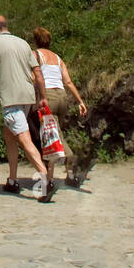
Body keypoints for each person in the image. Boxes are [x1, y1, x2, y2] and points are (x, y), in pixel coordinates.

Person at [0, 15, 51, 201]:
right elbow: (37, 73)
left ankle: (44, 179)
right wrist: (42, 97)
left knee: (23, 138)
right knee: (9, 134)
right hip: (27, 96)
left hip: (10, 98)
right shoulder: (23, 43)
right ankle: (12, 180)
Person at [32, 27, 88, 185]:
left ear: (36, 41)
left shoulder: (35, 55)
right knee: (55, 136)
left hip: (47, 97)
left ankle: (67, 165)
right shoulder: (57, 58)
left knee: (51, 139)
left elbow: (33, 78)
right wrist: (80, 101)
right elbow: (68, 82)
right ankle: (70, 176)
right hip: (63, 97)